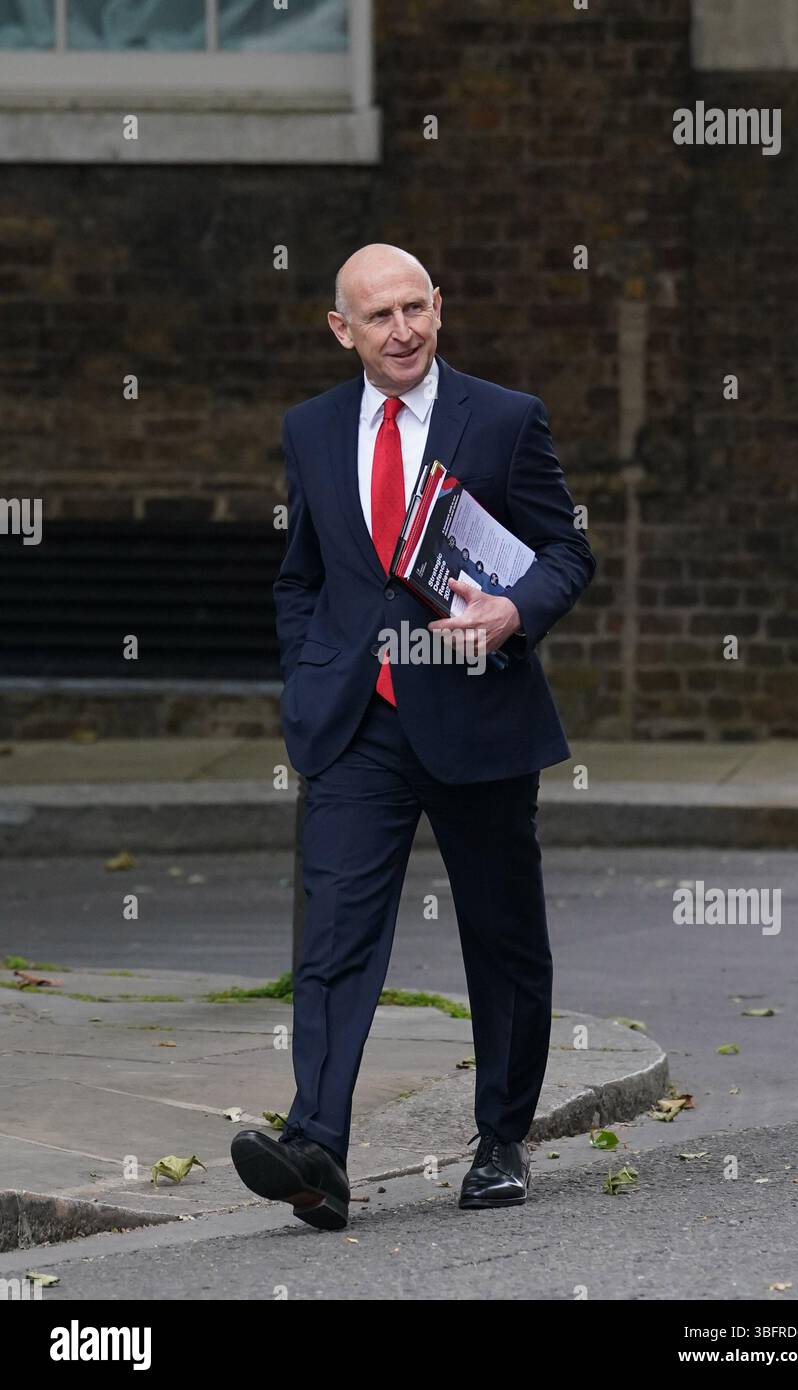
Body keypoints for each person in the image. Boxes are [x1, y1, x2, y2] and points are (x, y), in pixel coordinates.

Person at [230, 244, 596, 1230]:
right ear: (339, 329)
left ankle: (502, 1138)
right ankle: (316, 1148)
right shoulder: (308, 430)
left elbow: (566, 551)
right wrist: (308, 665)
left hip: (475, 707)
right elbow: (302, 573)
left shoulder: (505, 419)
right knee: (334, 933)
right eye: (377, 317)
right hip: (355, 719)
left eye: (414, 309)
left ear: (438, 307)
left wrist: (513, 613)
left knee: (500, 930)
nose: (401, 331)